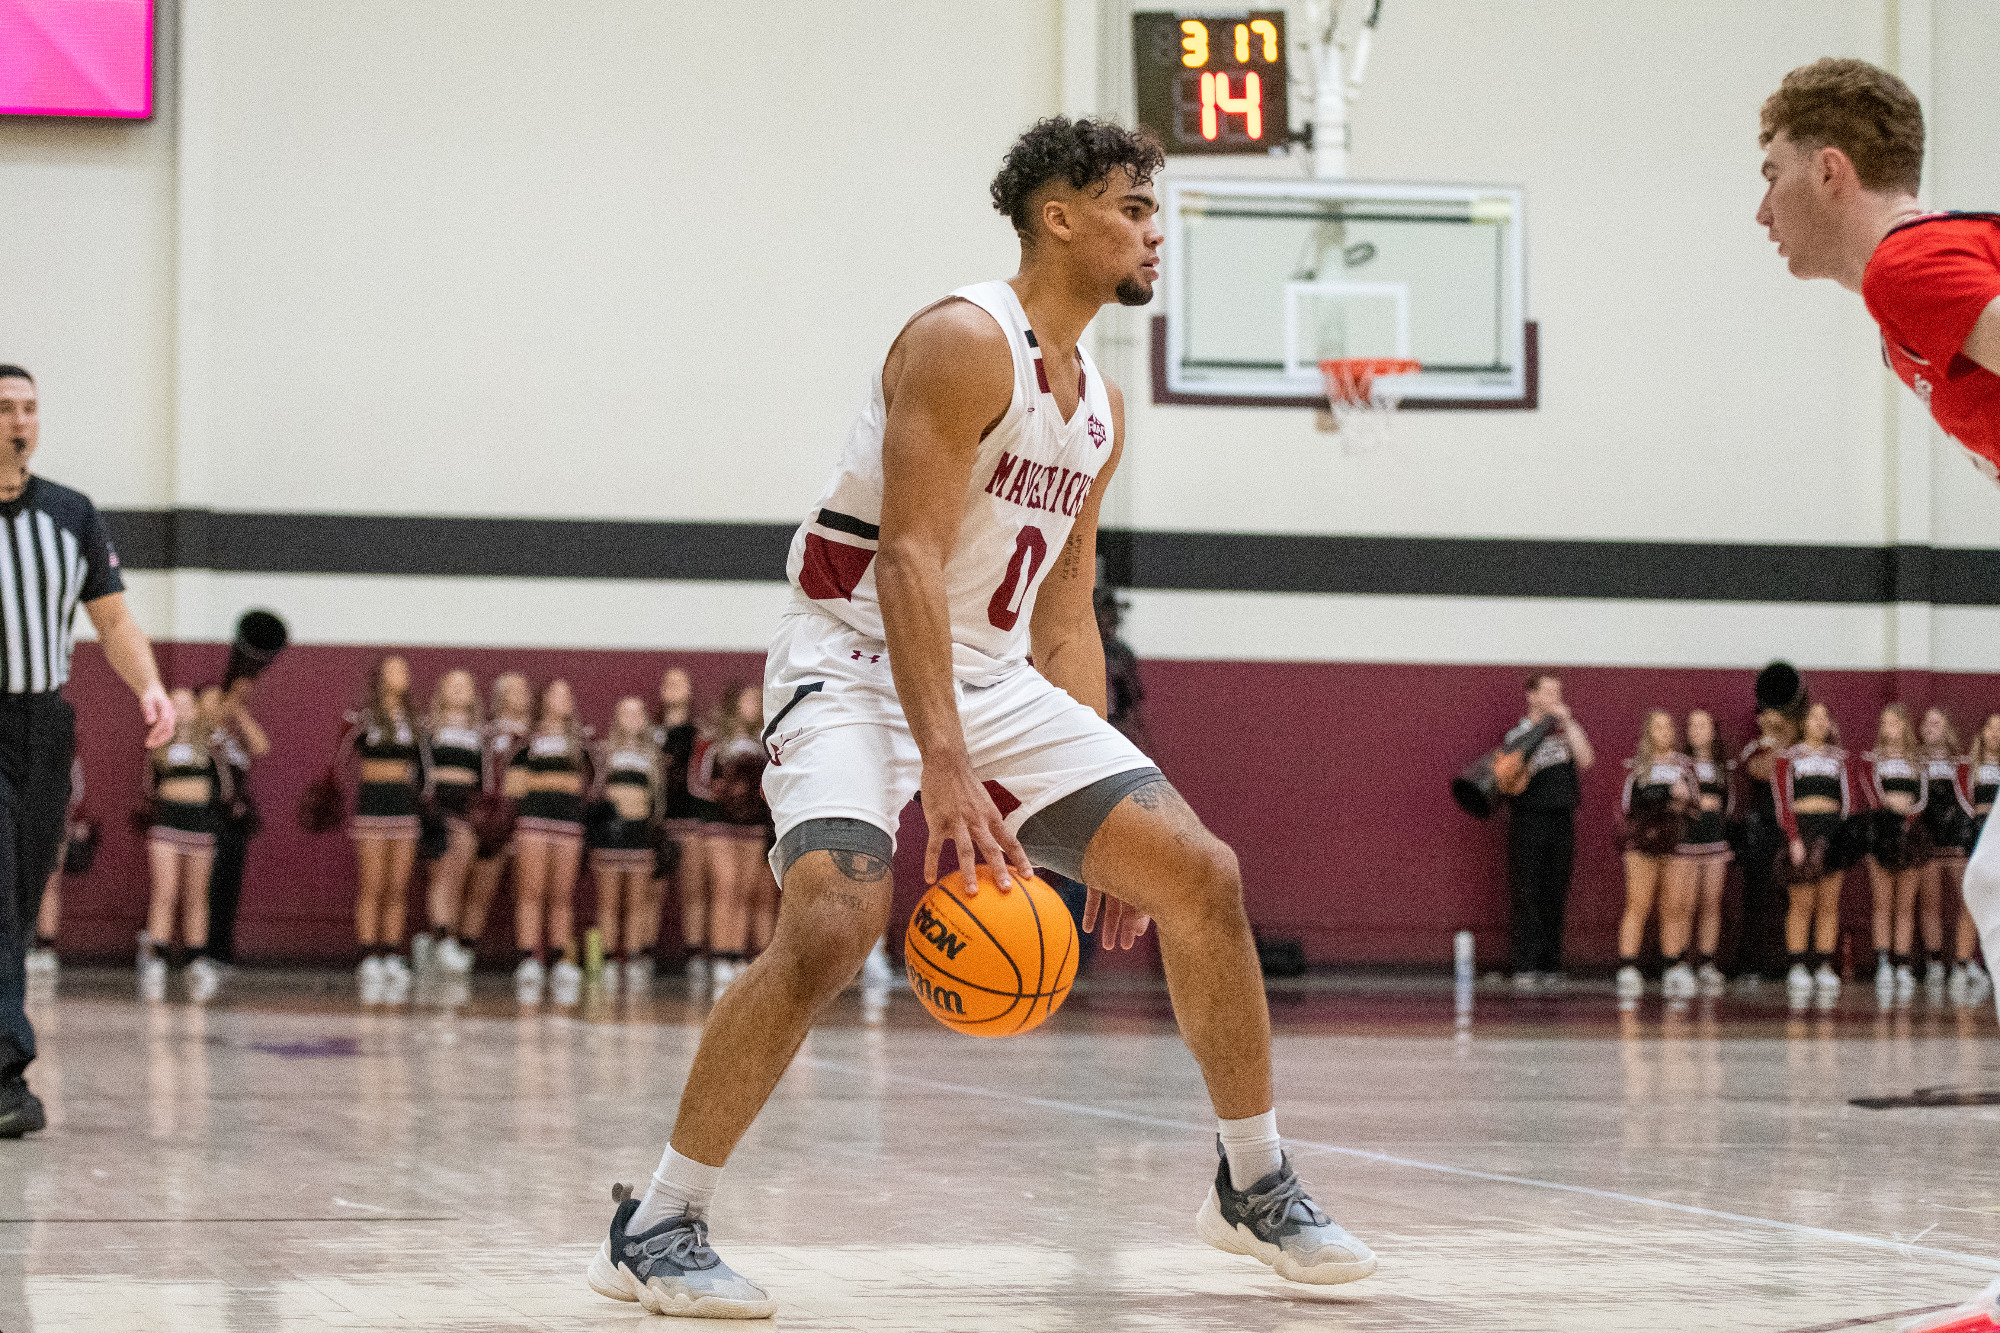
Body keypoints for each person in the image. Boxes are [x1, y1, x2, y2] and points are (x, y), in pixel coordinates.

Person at [587, 117, 1376, 1319]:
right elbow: (903, 559)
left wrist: (1108, 800)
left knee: (1199, 876)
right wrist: (944, 765)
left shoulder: (1097, 408)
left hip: (995, 676)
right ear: (1056, 217)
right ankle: (658, 1221)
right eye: (1130, 207)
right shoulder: (963, 341)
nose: (1151, 230)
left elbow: (1066, 617)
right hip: (851, 659)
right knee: (835, 922)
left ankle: (1251, 1184)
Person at [1758, 61, 2000, 1327]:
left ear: (1830, 171)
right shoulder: (1921, 274)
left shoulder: (1911, 266)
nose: (1762, 211)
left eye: (1771, 176)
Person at [0, 365, 174, 1137]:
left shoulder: (71, 515)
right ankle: (9, 1066)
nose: (20, 420)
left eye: (30, 407)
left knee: (21, 894)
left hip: (41, 726)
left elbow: (113, 623)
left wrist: (151, 689)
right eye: (6, 407)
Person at [1501, 673, 1595, 992]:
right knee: (1528, 891)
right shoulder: (1518, 733)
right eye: (1549, 691)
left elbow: (1586, 758)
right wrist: (1537, 737)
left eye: (1559, 691)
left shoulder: (1565, 732)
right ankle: (1525, 963)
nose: (1556, 696)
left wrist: (1568, 724)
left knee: (1556, 891)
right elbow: (1512, 780)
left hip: (1561, 818)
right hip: (1529, 819)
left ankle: (1551, 963)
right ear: (1531, 695)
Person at [341, 655, 423, 1003]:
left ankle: (391, 951)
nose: (401, 675)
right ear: (380, 677)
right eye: (394, 669)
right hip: (372, 805)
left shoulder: (415, 721)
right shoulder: (364, 718)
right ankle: (368, 954)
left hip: (403, 806)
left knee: (397, 885)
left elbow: (423, 767)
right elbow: (341, 760)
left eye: (404, 669)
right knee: (372, 883)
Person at [139, 687, 226, 1002]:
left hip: (200, 824)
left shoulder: (212, 742)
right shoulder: (158, 742)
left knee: (196, 896)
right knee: (164, 892)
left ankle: (196, 958)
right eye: (174, 703)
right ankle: (156, 958)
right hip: (167, 823)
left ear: (196, 708)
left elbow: (225, 785)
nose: (182, 709)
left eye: (187, 703)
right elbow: (149, 786)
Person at [687, 683, 773, 995]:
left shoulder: (765, 739)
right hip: (718, 821)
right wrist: (725, 792)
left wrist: (756, 797)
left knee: (745, 890)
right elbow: (696, 782)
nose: (755, 704)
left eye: (758, 700)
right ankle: (720, 955)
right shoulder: (712, 738)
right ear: (734, 702)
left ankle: (737, 954)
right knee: (726, 885)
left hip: (752, 823)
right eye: (749, 698)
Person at [511, 678, 589, 1004]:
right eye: (556, 693)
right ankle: (529, 957)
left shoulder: (582, 742)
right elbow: (514, 786)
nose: (563, 699)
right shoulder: (527, 739)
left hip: (568, 822)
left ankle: (560, 957)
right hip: (533, 820)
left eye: (567, 694)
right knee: (531, 890)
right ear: (543, 699)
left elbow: (587, 784)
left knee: (561, 893)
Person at [1773, 702, 1855, 1008]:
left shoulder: (1839, 759)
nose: (1820, 721)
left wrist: (1843, 837)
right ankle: (1797, 965)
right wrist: (1793, 838)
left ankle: (1822, 964)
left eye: (1825, 716)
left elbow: (1848, 801)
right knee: (1801, 901)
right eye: (1814, 717)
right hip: (1802, 828)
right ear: (1803, 723)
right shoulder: (1788, 758)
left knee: (1828, 902)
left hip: (1831, 829)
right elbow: (1784, 802)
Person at [1613, 711, 1693, 1001]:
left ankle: (1672, 964)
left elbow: (1696, 806)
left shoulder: (1684, 766)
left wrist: (1683, 800)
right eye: (1658, 726)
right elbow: (1625, 807)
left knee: (1673, 905)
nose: (1664, 731)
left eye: (1669, 726)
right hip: (1642, 843)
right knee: (1638, 903)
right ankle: (1628, 965)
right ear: (1648, 732)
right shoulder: (1637, 768)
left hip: (1673, 842)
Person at [589, 696, 662, 995]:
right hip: (611, 832)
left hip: (640, 833)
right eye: (625, 713)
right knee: (608, 900)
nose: (632, 718)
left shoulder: (652, 756)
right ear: (616, 718)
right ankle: (607, 959)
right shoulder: (605, 752)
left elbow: (659, 798)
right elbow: (596, 792)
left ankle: (631, 958)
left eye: (637, 713)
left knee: (637, 901)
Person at [458, 671, 531, 965]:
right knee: (480, 887)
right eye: (513, 690)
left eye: (524, 690)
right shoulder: (487, 733)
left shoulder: (538, 734)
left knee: (528, 890)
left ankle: (532, 957)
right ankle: (461, 948)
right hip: (496, 819)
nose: (520, 695)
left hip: (531, 818)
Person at [418, 668, 484, 973]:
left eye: (465, 685)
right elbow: (417, 771)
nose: (459, 689)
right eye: (453, 684)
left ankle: (444, 942)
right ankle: (443, 939)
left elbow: (487, 778)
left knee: (460, 876)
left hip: (467, 807)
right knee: (441, 874)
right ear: (442, 690)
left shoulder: (480, 733)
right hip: (437, 805)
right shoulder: (428, 729)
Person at [1861, 703, 1927, 1004]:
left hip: (1909, 834)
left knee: (1905, 904)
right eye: (1885, 722)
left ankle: (1902, 963)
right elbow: (1870, 791)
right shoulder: (1872, 760)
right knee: (1883, 902)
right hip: (1883, 833)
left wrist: (1908, 819)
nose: (1891, 727)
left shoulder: (1917, 761)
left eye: (1896, 722)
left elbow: (1922, 796)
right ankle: (1884, 962)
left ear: (1905, 726)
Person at [203, 678, 268, 969]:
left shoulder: (234, 736)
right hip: (207, 810)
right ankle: (200, 947)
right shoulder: (198, 731)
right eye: (212, 699)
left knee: (229, 882)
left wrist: (240, 712)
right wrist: (225, 704)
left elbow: (263, 746)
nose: (220, 704)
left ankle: (221, 946)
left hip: (234, 815)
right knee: (208, 883)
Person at [1733, 707, 1798, 986]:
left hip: (1789, 829)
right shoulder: (1753, 748)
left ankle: (1788, 961)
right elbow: (1761, 771)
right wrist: (1777, 743)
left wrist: (1787, 741)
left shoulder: (1797, 748)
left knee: (1789, 895)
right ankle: (1752, 962)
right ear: (1759, 719)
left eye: (1778, 713)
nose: (1772, 719)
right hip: (1759, 830)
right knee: (1757, 895)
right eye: (1766, 714)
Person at [651, 668, 707, 989]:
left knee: (693, 891)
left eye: (680, 682)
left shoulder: (698, 734)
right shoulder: (650, 732)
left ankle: (696, 955)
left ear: (689, 690)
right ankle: (639, 955)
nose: (673, 687)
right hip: (657, 822)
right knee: (651, 892)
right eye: (667, 681)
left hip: (689, 821)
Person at [1674, 710, 1734, 997]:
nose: (1696, 729)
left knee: (1711, 902)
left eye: (1702, 724)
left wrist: (1716, 811)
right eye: (1692, 724)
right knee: (1685, 902)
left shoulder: (1723, 766)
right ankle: (1682, 960)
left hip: (1715, 837)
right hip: (1688, 837)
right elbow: (1679, 801)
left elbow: (1728, 801)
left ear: (1713, 731)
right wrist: (1697, 803)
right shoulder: (1680, 764)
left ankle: (1707, 961)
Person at [1917, 706, 1970, 1001]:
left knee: (1968, 900)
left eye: (1936, 721)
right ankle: (1935, 961)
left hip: (1955, 836)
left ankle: (1964, 962)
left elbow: (1967, 799)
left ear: (1947, 727)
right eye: (1926, 722)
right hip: (1927, 835)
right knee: (1930, 903)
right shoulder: (1916, 761)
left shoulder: (1960, 762)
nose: (1930, 726)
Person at [1952, 713, 2000, 1003]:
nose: (1996, 734)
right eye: (1991, 728)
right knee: (1974, 902)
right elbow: (1963, 798)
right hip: (1980, 833)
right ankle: (1962, 963)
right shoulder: (1970, 766)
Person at [23, 754, 85, 979]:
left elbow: (76, 792)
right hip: (20, 823)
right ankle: (21, 945)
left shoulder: (63, 752)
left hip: (53, 823)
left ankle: (45, 948)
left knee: (49, 886)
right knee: (19, 886)